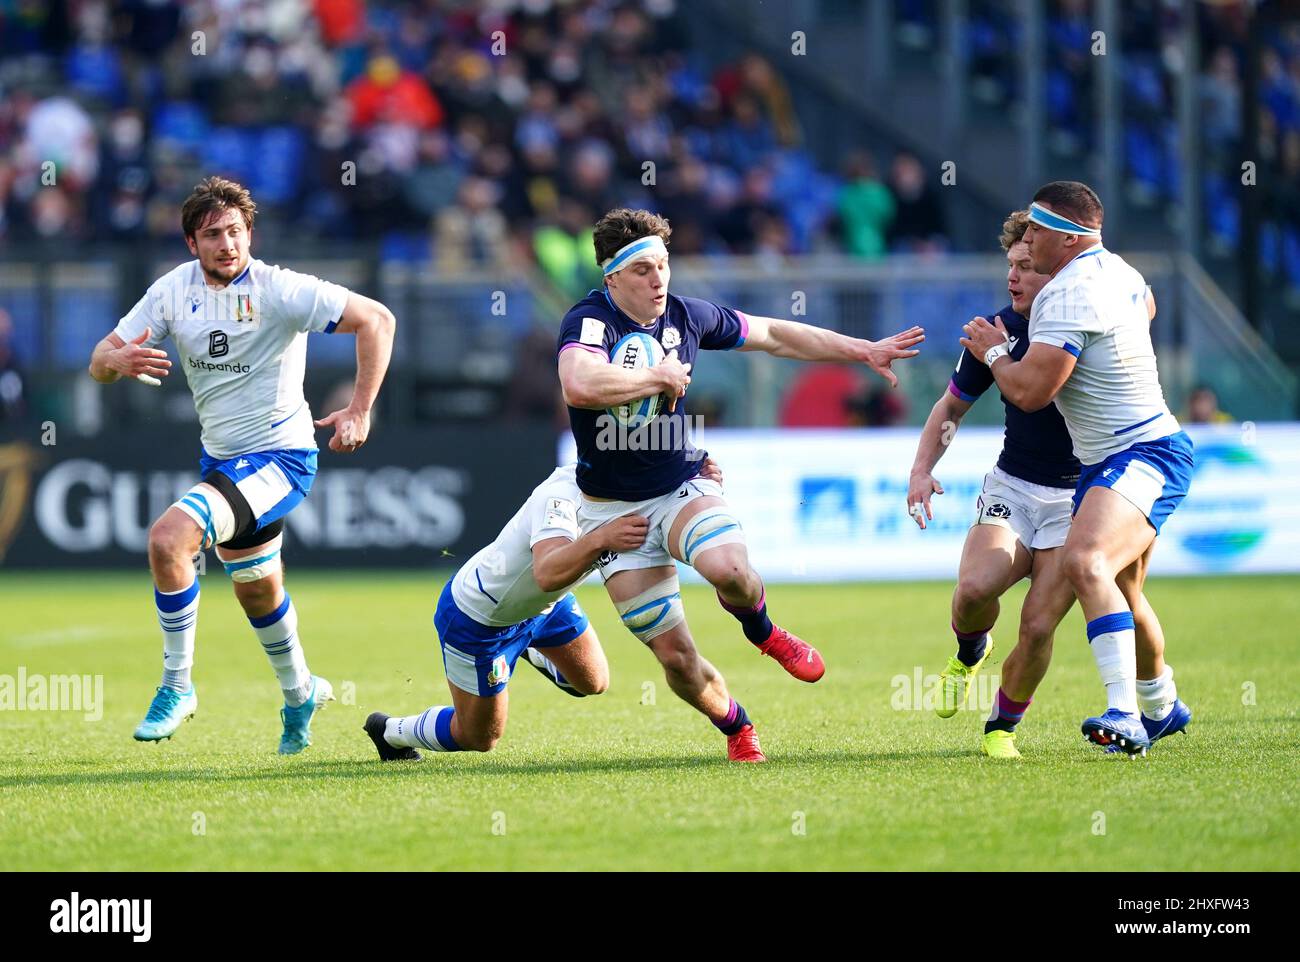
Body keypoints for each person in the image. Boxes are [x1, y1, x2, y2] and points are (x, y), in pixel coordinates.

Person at [557, 207, 924, 761]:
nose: (658, 280)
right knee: (677, 663)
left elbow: (775, 334)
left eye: (663, 266)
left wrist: (861, 350)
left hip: (680, 481)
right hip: (611, 513)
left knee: (731, 572)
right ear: (612, 277)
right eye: (642, 271)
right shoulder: (590, 321)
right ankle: (736, 724)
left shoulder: (688, 315)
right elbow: (579, 383)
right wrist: (656, 376)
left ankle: (765, 632)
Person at [88, 176, 397, 754]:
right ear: (191, 244)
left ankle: (177, 686)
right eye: (212, 235)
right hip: (225, 461)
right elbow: (98, 361)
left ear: (250, 233)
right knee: (256, 588)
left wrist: (360, 410)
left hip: (282, 456)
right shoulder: (171, 292)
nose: (226, 243)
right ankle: (301, 691)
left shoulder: (279, 289)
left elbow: (377, 320)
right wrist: (117, 361)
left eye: (235, 231)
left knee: (168, 540)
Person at [909, 209, 1167, 759]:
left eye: (1026, 266)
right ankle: (969, 649)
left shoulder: (1085, 308)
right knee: (976, 590)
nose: (1013, 277)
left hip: (1082, 497)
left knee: (1039, 625)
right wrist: (921, 470)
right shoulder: (997, 331)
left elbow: (1142, 304)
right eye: (1010, 265)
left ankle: (1000, 729)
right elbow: (952, 406)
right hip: (1014, 486)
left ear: (1060, 270)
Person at [960, 181, 1193, 756]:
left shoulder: (1066, 293)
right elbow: (1147, 307)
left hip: (1142, 452)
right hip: (1117, 456)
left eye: (1036, 230)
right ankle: (1164, 706)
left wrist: (994, 351)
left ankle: (1126, 715)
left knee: (1086, 562)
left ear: (1066, 239)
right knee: (1124, 593)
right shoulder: (1120, 272)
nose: (1027, 238)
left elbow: (1032, 392)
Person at [364, 458, 720, 760]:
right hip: (479, 619)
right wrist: (601, 538)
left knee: (593, 683)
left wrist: (696, 477)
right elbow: (548, 572)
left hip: (547, 606)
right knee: (480, 737)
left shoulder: (624, 490)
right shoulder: (560, 494)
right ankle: (392, 733)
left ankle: (531, 651)